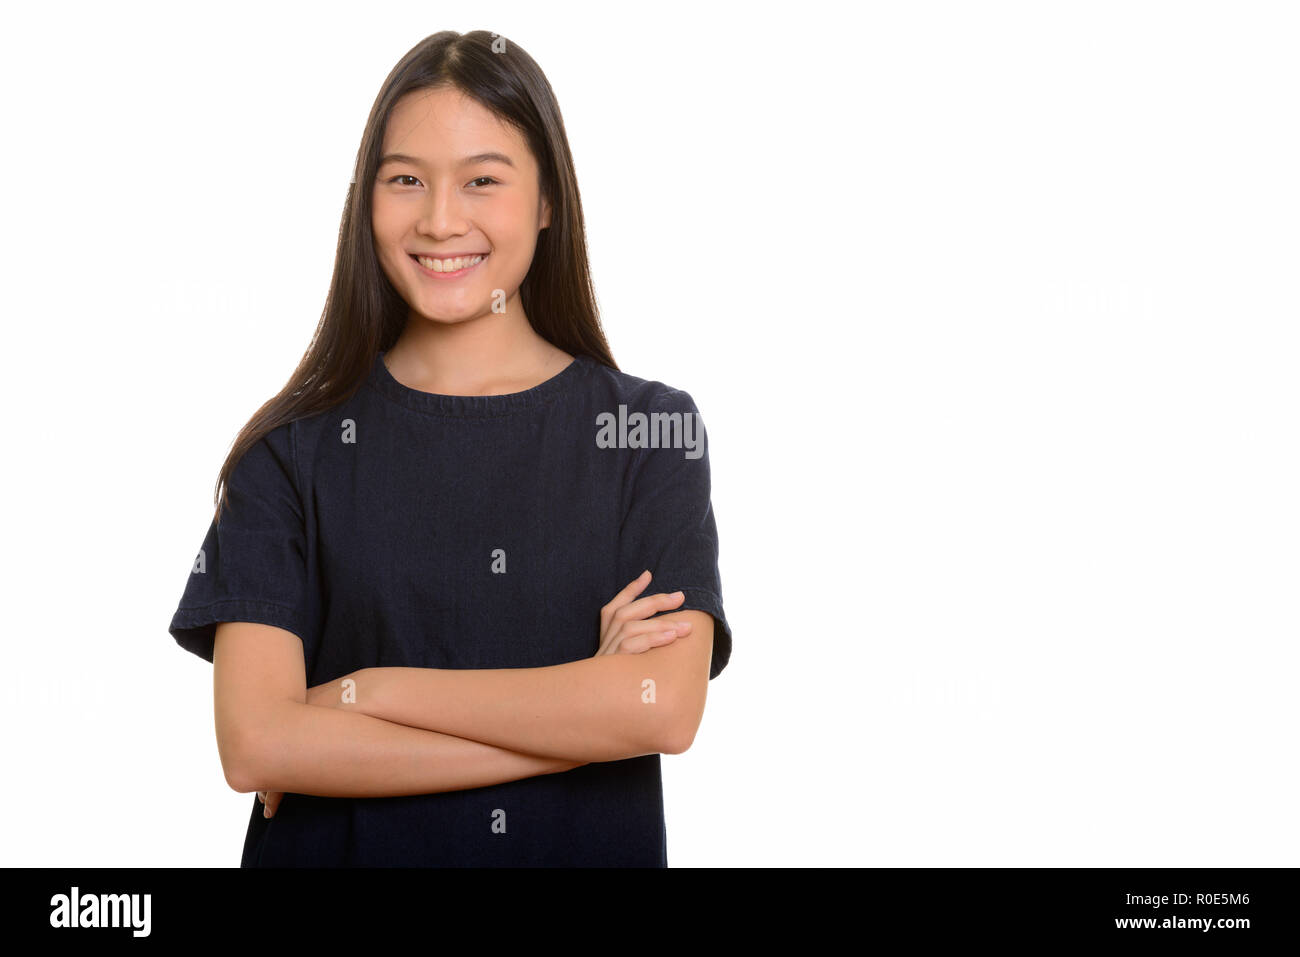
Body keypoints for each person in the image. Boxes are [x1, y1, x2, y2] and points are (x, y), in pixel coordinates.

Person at [167, 30, 732, 867]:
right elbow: (256, 746)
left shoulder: (647, 433)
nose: (439, 220)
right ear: (367, 199)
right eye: (405, 180)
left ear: (547, 200)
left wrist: (368, 695)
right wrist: (580, 722)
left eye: (482, 181)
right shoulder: (288, 452)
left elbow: (660, 710)